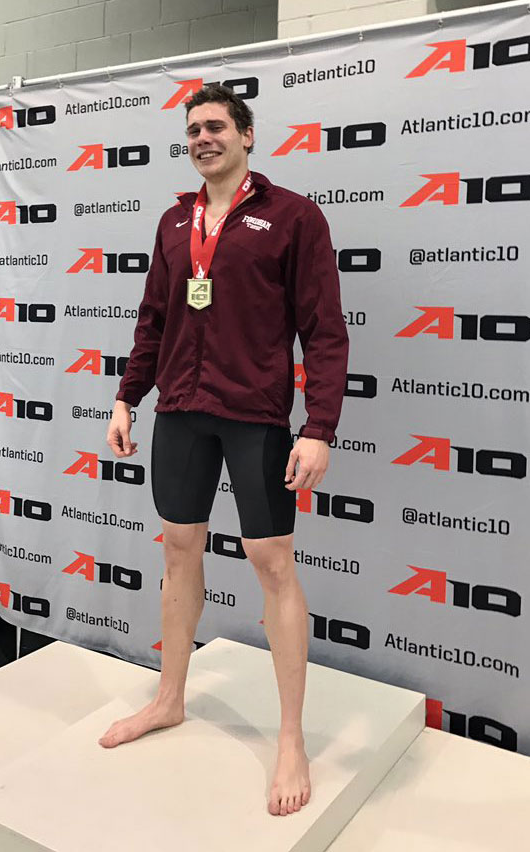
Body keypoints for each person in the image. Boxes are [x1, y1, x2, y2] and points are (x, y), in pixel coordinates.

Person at [98, 84, 349, 817]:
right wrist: (127, 396)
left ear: (246, 136)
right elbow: (153, 318)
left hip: (256, 417)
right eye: (193, 130)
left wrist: (318, 427)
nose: (203, 137)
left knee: (273, 564)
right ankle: (169, 698)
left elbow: (325, 332)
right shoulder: (176, 220)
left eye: (216, 127)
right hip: (179, 411)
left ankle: (293, 738)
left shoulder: (294, 217)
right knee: (179, 549)